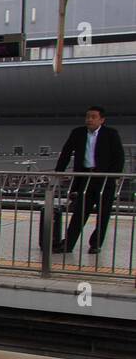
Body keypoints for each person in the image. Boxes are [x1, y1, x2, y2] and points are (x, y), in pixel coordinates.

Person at [53, 105, 126, 254]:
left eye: (93, 117)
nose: (89, 120)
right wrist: (59, 170)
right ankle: (68, 244)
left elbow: (119, 157)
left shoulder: (111, 134)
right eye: (87, 117)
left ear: (102, 120)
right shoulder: (78, 133)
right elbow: (66, 152)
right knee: (80, 212)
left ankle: (95, 244)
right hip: (85, 177)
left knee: (103, 213)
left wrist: (113, 176)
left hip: (104, 179)